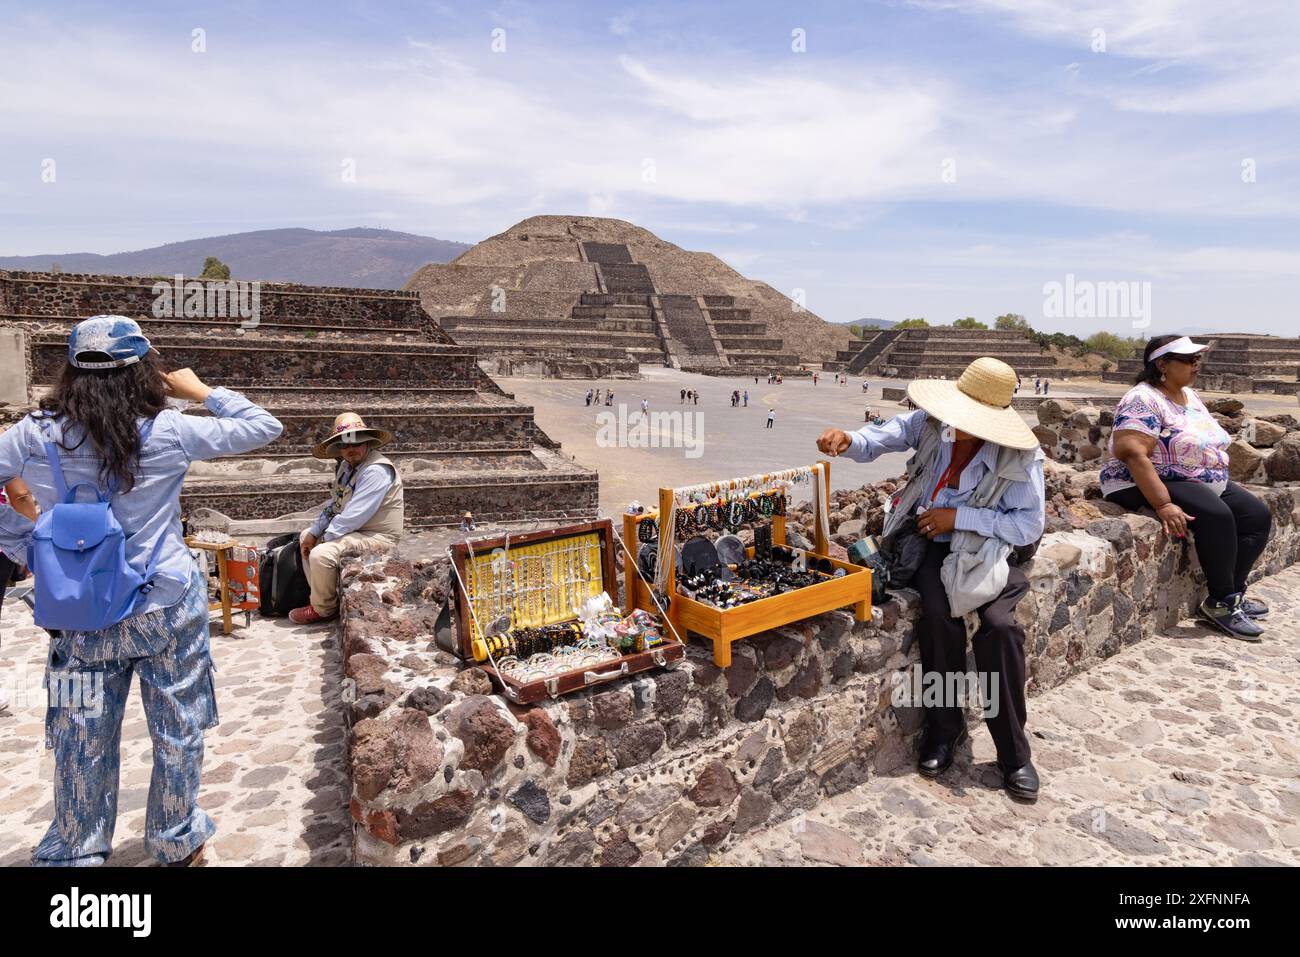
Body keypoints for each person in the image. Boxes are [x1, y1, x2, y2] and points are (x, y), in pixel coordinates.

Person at [0, 315, 282, 866]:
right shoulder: (171, 429)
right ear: (143, 369)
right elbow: (263, 426)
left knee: (79, 734)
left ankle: (76, 851)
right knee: (179, 726)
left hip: (77, 615)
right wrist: (200, 390)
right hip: (164, 606)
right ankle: (175, 838)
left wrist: (25, 545)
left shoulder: (34, 433)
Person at [815, 357, 1045, 801]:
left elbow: (1028, 526)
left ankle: (1014, 753)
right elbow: (884, 436)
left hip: (989, 550)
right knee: (939, 618)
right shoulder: (930, 423)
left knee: (1000, 629)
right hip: (930, 544)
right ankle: (945, 730)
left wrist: (959, 518)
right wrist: (848, 439)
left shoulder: (1020, 457)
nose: (955, 425)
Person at [1101, 335, 1271, 639]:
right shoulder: (1143, 398)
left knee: (1256, 516)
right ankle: (1221, 603)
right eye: (1189, 360)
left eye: (1198, 359)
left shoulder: (1188, 395)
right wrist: (1163, 504)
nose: (1197, 365)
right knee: (1217, 517)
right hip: (1144, 479)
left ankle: (1233, 591)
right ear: (1162, 364)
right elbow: (1133, 452)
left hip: (1198, 479)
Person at [292, 412, 405, 625]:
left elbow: (354, 515)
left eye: (357, 442)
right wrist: (316, 532)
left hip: (378, 536)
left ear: (368, 442)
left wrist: (324, 539)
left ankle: (323, 609)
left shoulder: (376, 471)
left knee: (320, 554)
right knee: (306, 536)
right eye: (345, 444)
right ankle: (323, 597)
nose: (351, 449)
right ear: (339, 448)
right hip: (356, 531)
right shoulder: (347, 467)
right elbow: (336, 504)